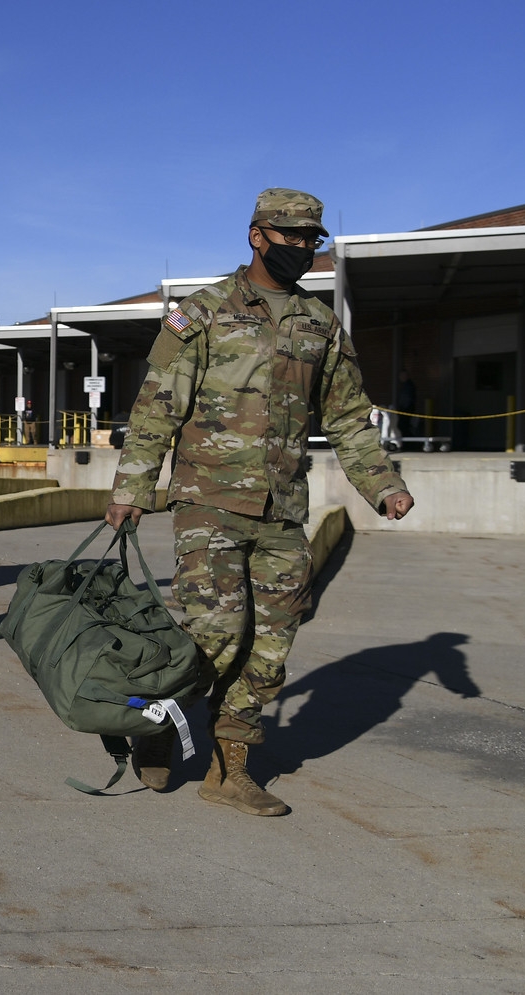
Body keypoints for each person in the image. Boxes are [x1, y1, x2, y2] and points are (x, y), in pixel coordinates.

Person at [107, 188, 414, 816]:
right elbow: (158, 403)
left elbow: (351, 417)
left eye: (311, 239)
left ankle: (230, 768)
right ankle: (157, 726)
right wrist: (132, 488)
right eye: (290, 236)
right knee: (215, 635)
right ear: (256, 235)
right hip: (207, 501)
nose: (301, 248)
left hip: (281, 511)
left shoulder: (320, 325)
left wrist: (382, 484)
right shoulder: (204, 311)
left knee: (272, 645)